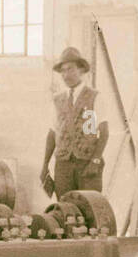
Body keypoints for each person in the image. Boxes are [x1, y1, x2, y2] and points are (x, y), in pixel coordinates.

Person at [40, 45, 108, 198]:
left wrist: (95, 160)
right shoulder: (57, 100)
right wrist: (45, 165)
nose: (66, 75)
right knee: (65, 211)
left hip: (87, 164)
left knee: (90, 208)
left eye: (70, 69)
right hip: (63, 165)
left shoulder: (94, 97)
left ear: (81, 70)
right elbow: (52, 134)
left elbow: (103, 132)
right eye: (63, 71)